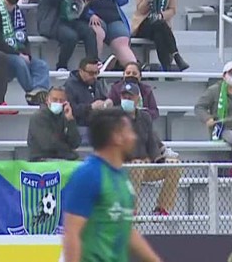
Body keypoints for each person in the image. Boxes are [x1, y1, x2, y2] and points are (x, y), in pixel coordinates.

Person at [61, 107, 164, 262]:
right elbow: (71, 233)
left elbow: (126, 228)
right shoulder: (88, 175)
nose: (134, 137)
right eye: (129, 131)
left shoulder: (121, 176)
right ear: (116, 137)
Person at [0, 0, 52, 104]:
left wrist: (27, 54)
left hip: (18, 52)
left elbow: (24, 38)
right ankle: (33, 94)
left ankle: (40, 90)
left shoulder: (19, 13)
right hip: (0, 55)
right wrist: (19, 54)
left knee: (41, 65)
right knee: (20, 62)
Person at [121, 82, 181, 216]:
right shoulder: (114, 117)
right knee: (137, 165)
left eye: (130, 97)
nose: (126, 100)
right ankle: (132, 210)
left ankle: (162, 208)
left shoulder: (145, 117)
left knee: (174, 165)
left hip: (146, 163)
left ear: (137, 99)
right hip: (124, 165)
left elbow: (151, 141)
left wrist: (159, 157)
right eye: (124, 97)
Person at [132, 0, 188, 71]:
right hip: (144, 24)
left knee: (159, 31)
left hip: (159, 26)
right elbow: (140, 10)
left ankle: (166, 67)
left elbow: (172, 9)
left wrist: (161, 15)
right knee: (160, 24)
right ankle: (176, 55)